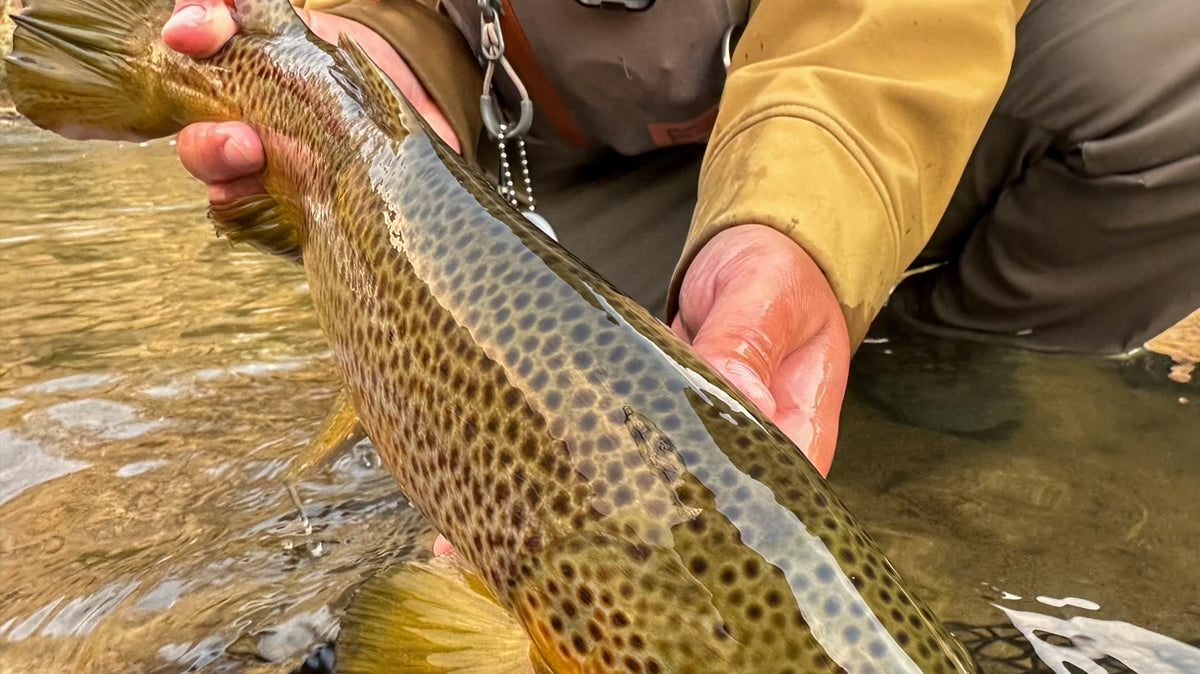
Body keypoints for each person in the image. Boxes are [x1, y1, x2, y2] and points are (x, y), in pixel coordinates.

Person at [163, 0, 1200, 474]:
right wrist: (366, 62)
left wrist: (800, 234)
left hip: (841, 93)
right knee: (546, 457)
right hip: (532, 163)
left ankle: (925, 358)